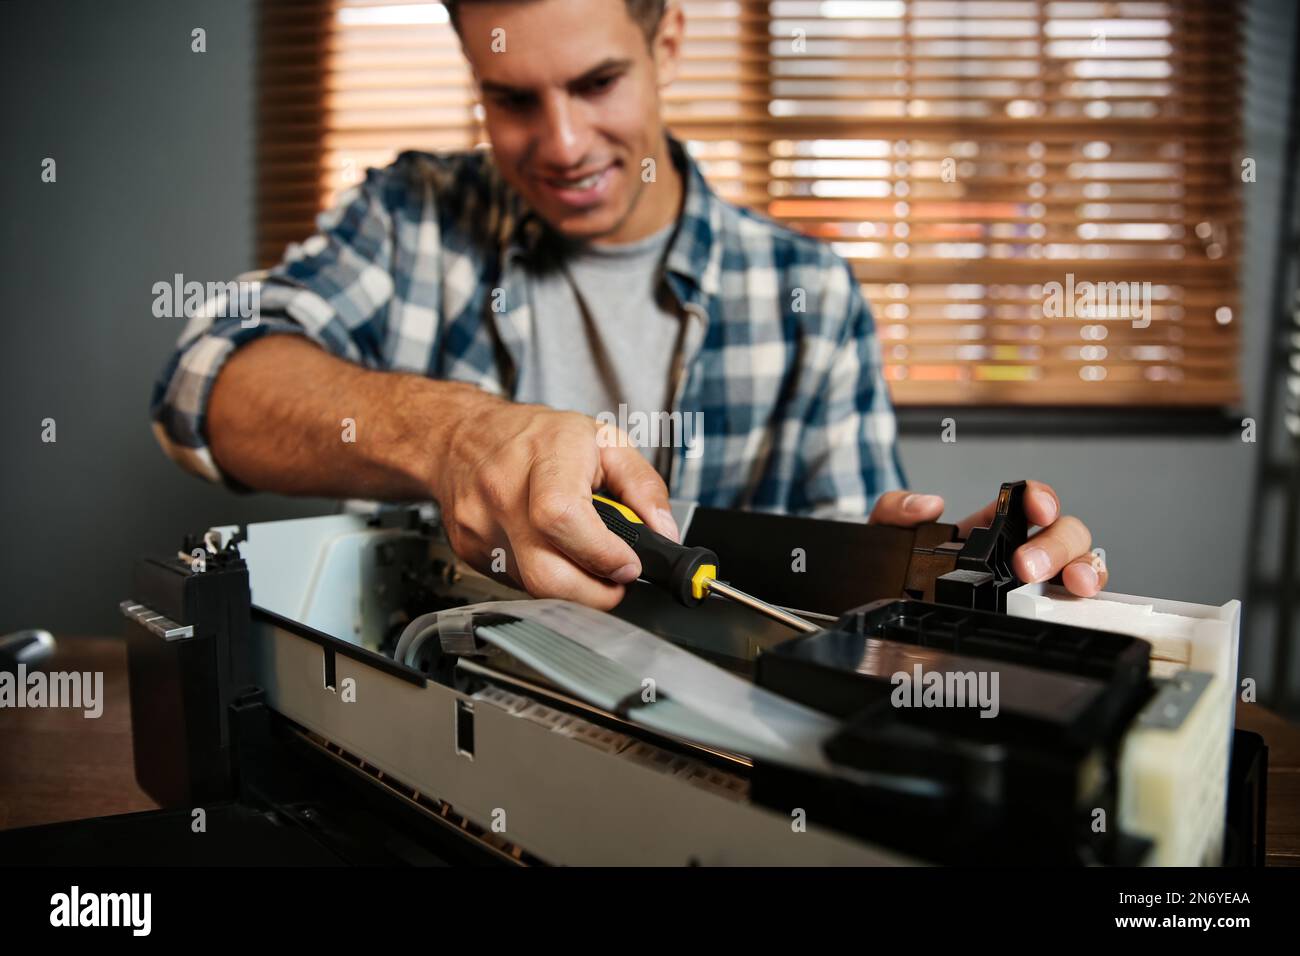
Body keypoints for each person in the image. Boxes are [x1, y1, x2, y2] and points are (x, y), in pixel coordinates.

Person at [151, 0, 1107, 611]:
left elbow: (842, 589)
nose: (562, 143)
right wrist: (452, 437)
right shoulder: (409, 219)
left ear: (670, 41)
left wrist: (948, 578)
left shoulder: (810, 297)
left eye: (597, 82)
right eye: (513, 98)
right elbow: (202, 388)